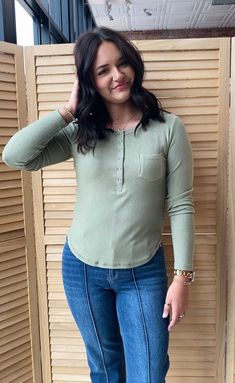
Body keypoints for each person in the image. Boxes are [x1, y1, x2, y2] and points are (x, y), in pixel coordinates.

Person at [2, 27, 195, 383]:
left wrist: (183, 277)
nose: (117, 75)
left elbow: (181, 204)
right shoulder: (81, 132)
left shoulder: (169, 128)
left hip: (143, 273)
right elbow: (16, 157)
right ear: (88, 79)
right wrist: (67, 110)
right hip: (82, 270)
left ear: (134, 65)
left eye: (122, 64)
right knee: (104, 369)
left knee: (150, 372)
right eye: (102, 70)